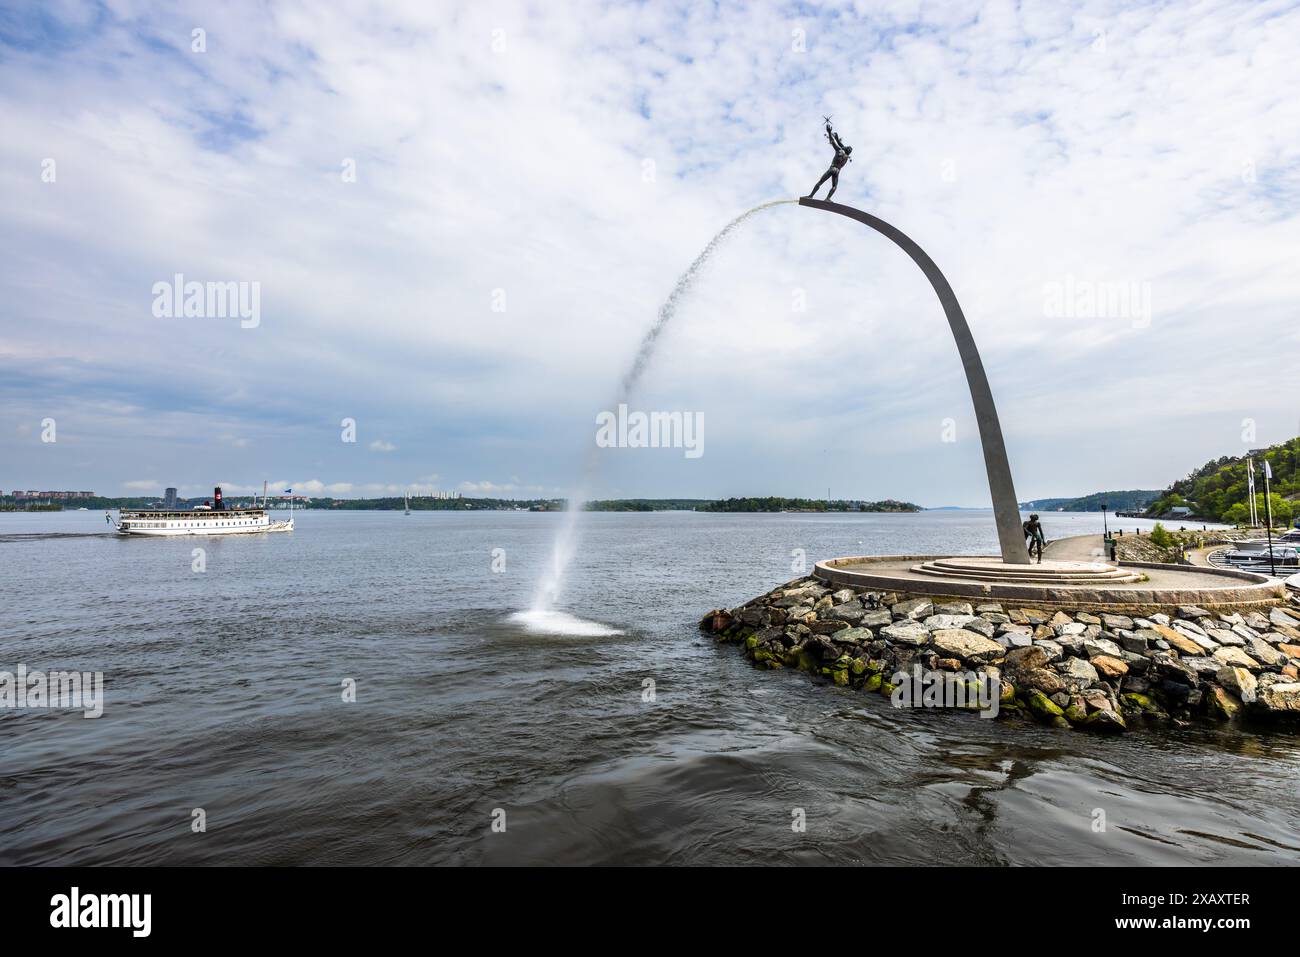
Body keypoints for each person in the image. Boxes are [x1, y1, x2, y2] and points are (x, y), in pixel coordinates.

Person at [804, 120, 853, 201]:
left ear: (845, 149)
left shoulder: (839, 151)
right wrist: (837, 138)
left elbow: (832, 142)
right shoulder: (847, 157)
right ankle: (828, 198)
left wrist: (829, 133)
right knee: (834, 187)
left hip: (832, 169)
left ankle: (811, 196)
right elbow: (842, 146)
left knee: (820, 182)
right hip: (837, 171)